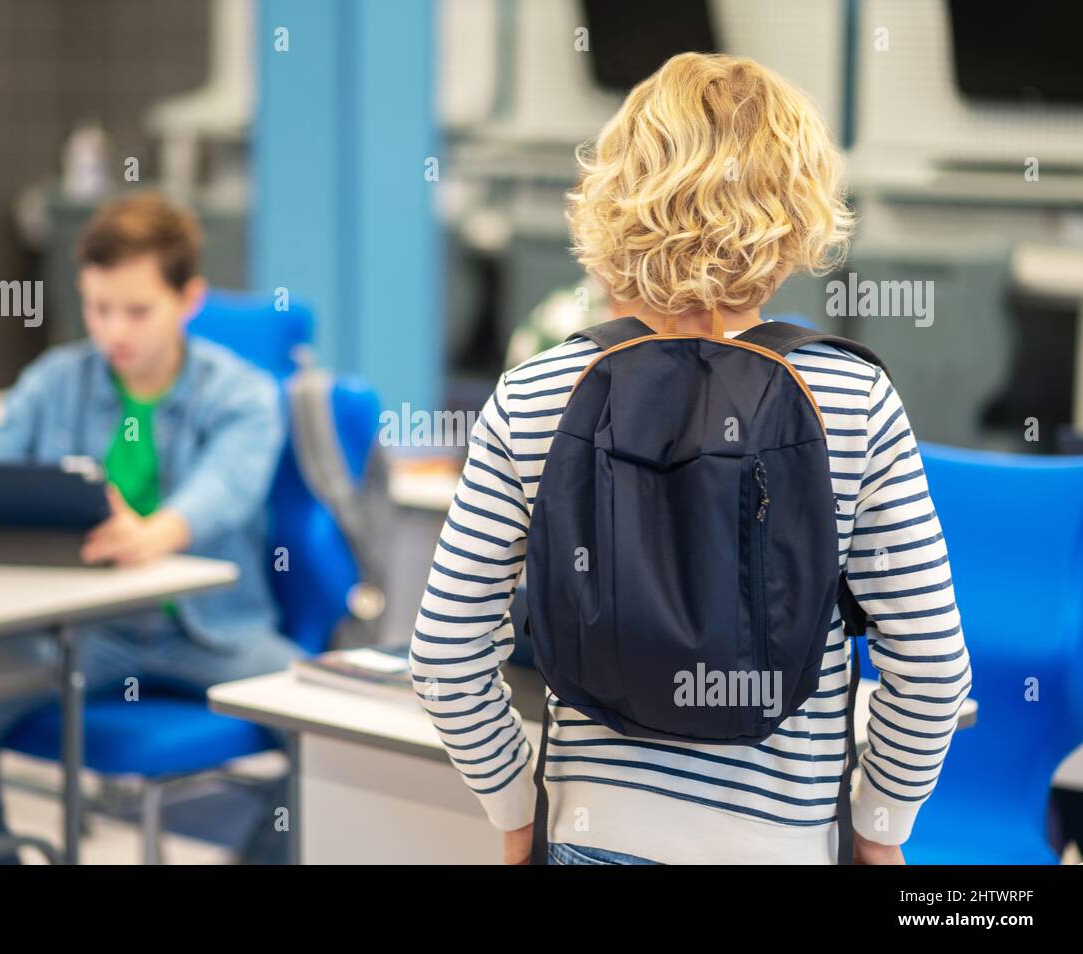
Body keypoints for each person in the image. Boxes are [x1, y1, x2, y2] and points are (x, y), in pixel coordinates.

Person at [409, 53, 972, 865]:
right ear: (796, 207)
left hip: (589, 839)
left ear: (614, 196)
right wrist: (880, 828)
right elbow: (931, 669)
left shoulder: (532, 395)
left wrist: (515, 810)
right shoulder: (854, 402)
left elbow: (443, 657)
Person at [0, 191, 302, 861]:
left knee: (333, 729)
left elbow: (224, 490)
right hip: (87, 635)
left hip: (213, 630)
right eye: (97, 308)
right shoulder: (56, 380)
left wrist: (160, 531)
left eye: (137, 310)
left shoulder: (242, 394)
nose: (114, 331)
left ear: (188, 299)